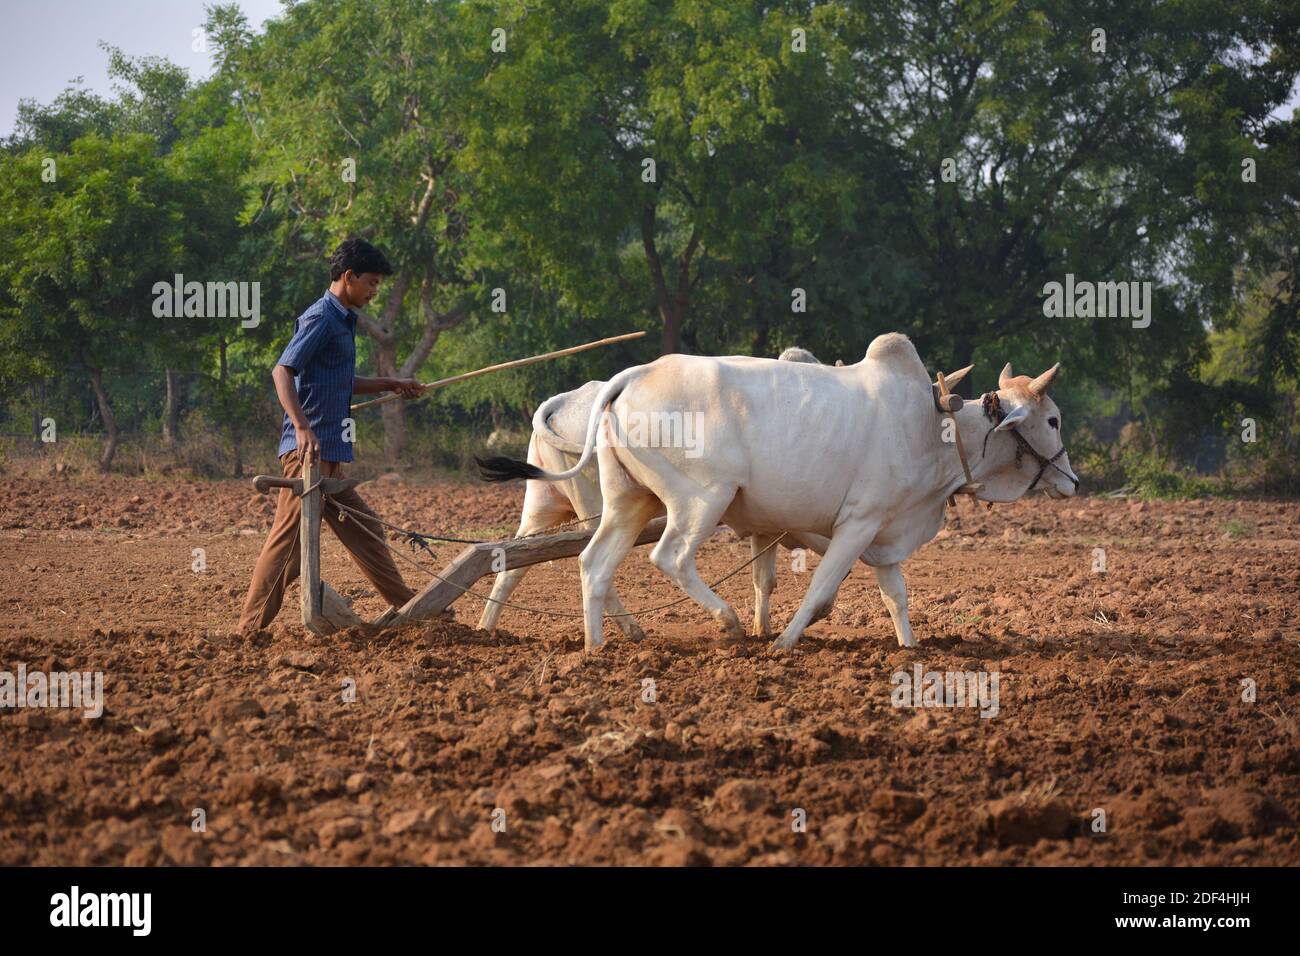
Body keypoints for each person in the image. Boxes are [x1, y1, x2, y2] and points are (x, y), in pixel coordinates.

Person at [237, 238, 423, 632]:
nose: (374, 292)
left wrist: (390, 383)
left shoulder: (342, 320)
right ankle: (248, 630)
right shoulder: (321, 317)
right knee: (288, 547)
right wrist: (302, 428)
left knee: (366, 530)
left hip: (331, 458)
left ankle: (415, 612)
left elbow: (341, 381)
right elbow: (282, 371)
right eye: (371, 283)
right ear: (348, 276)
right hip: (308, 457)